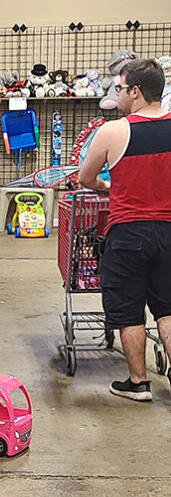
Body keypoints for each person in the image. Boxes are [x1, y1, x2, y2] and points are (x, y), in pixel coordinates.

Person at [77, 57, 171, 401]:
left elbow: (85, 177)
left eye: (119, 87)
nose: (115, 93)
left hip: (129, 233)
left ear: (135, 92)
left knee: (130, 309)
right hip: (169, 233)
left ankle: (138, 382)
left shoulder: (114, 131)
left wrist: (105, 187)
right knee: (168, 308)